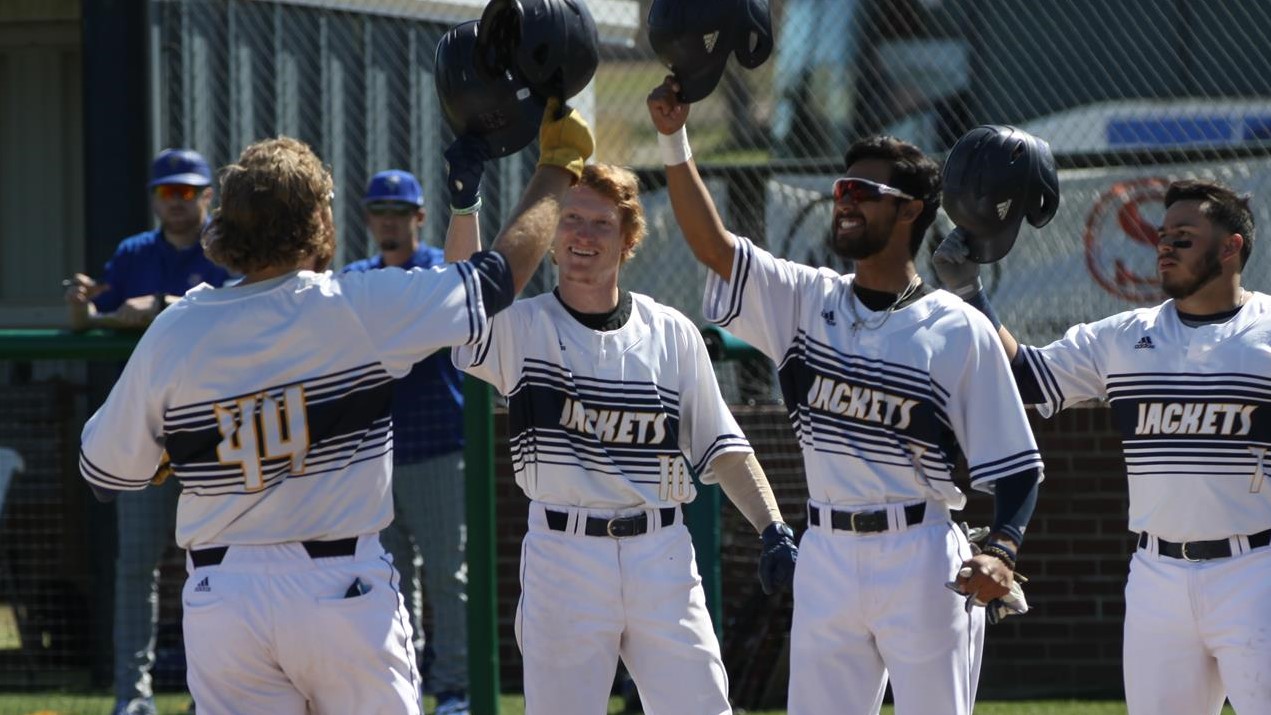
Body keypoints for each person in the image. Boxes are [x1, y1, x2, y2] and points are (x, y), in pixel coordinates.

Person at [76, 101, 594, 715]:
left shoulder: (177, 327)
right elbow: (496, 278)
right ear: (319, 222)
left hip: (222, 598)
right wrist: (557, 168)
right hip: (339, 590)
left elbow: (104, 473)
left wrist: (179, 450)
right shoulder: (356, 304)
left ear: (226, 228)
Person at [647, 76, 1044, 715]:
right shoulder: (806, 299)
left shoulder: (957, 327)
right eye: (840, 189)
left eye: (864, 191)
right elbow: (715, 249)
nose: (844, 201)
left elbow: (1019, 466)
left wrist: (1000, 551)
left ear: (911, 209)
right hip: (826, 551)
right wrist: (673, 137)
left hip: (923, 554)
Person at [445, 158, 798, 715]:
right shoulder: (523, 327)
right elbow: (460, 308)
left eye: (602, 223)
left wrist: (773, 525)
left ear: (628, 239)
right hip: (564, 554)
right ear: (552, 232)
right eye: (570, 218)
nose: (583, 235)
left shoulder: (671, 333)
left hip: (660, 555)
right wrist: (466, 209)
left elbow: (723, 448)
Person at [934, 179, 1271, 715]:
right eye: (1162, 236)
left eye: (1183, 237)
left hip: (1256, 569)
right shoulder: (1123, 336)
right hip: (1157, 575)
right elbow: (1028, 378)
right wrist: (971, 296)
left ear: (1231, 247)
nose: (1164, 246)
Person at [62, 148, 229, 715]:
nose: (177, 203)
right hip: (149, 431)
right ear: (155, 198)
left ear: (208, 195)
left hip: (218, 429)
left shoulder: (228, 246)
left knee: (223, 560)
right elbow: (89, 320)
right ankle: (133, 696)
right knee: (136, 564)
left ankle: (214, 693)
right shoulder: (134, 251)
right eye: (167, 192)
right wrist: (85, 305)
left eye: (187, 192)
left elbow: (238, 307)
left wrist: (159, 305)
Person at [341, 169, 473, 714]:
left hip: (437, 443)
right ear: (368, 218)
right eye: (379, 211)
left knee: (448, 572)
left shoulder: (437, 270)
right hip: (374, 454)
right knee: (387, 579)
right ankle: (405, 685)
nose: (388, 220)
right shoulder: (355, 274)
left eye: (399, 211)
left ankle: (457, 688)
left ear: (420, 217)